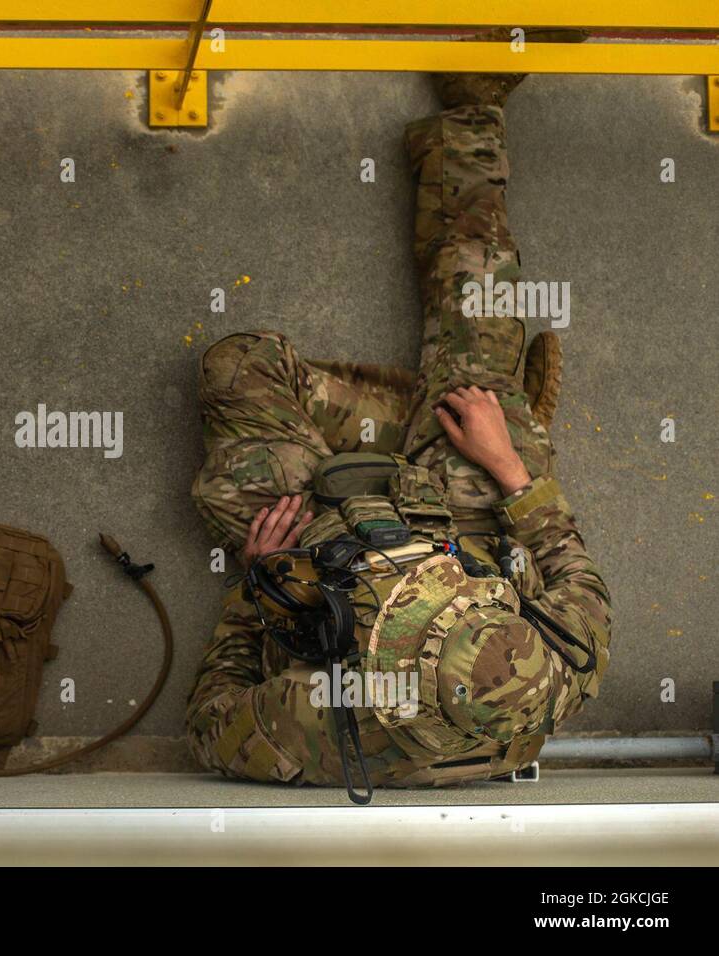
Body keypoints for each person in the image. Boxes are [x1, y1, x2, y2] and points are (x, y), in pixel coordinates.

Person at [186, 32, 612, 796]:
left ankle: (439, 409)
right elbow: (573, 569)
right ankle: (471, 119)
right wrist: (513, 469)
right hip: (465, 526)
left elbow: (210, 719)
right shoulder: (545, 678)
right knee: (478, 354)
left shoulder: (310, 731)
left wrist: (256, 585)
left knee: (237, 364)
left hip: (314, 551)